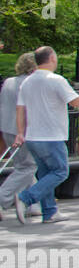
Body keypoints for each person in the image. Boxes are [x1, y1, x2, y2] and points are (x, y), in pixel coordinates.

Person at [12, 48, 79, 224]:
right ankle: (26, 198)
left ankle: (50, 212)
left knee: (45, 175)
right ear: (51, 58)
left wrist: (20, 133)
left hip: (32, 136)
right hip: (51, 135)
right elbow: (75, 102)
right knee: (60, 171)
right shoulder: (56, 80)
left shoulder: (26, 82)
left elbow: (20, 110)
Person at [0, 53, 39, 224]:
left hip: (6, 128)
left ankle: (33, 204)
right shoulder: (30, 84)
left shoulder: (8, 82)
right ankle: (3, 198)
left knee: (23, 165)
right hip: (22, 130)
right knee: (28, 167)